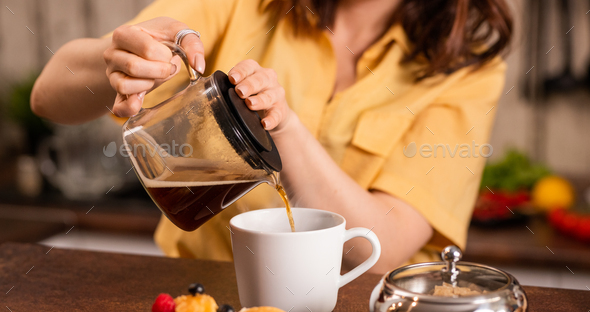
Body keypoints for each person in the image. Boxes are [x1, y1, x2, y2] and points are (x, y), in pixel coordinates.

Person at [31, 0, 513, 274]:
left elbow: (376, 246)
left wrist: (285, 126)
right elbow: (48, 96)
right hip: (204, 299)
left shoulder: (469, 63)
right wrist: (114, 60)